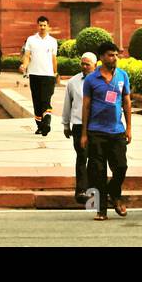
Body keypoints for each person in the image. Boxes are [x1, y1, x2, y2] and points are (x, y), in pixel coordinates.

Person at [79, 41, 131, 220]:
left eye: (116, 55)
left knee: (121, 167)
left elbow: (126, 102)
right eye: (110, 55)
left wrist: (129, 127)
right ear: (101, 57)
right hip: (96, 132)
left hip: (117, 130)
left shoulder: (123, 76)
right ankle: (102, 210)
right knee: (98, 171)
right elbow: (85, 106)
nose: (114, 58)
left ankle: (114, 193)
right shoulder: (91, 79)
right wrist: (84, 133)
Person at [61, 52, 96, 203]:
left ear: (95, 65)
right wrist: (65, 124)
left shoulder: (101, 81)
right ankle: (81, 190)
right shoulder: (73, 82)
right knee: (82, 156)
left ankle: (93, 190)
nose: (84, 66)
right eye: (82, 63)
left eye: (87, 64)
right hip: (78, 124)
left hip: (96, 125)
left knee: (95, 158)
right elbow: (68, 104)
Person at [19, 16, 58, 136]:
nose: (42, 27)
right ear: (38, 26)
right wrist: (24, 66)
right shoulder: (31, 40)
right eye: (40, 25)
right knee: (36, 101)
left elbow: (54, 59)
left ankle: (46, 123)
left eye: (44, 25)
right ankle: (40, 126)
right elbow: (27, 55)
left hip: (48, 75)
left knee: (45, 100)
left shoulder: (52, 41)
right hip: (34, 74)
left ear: (48, 26)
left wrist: (55, 72)